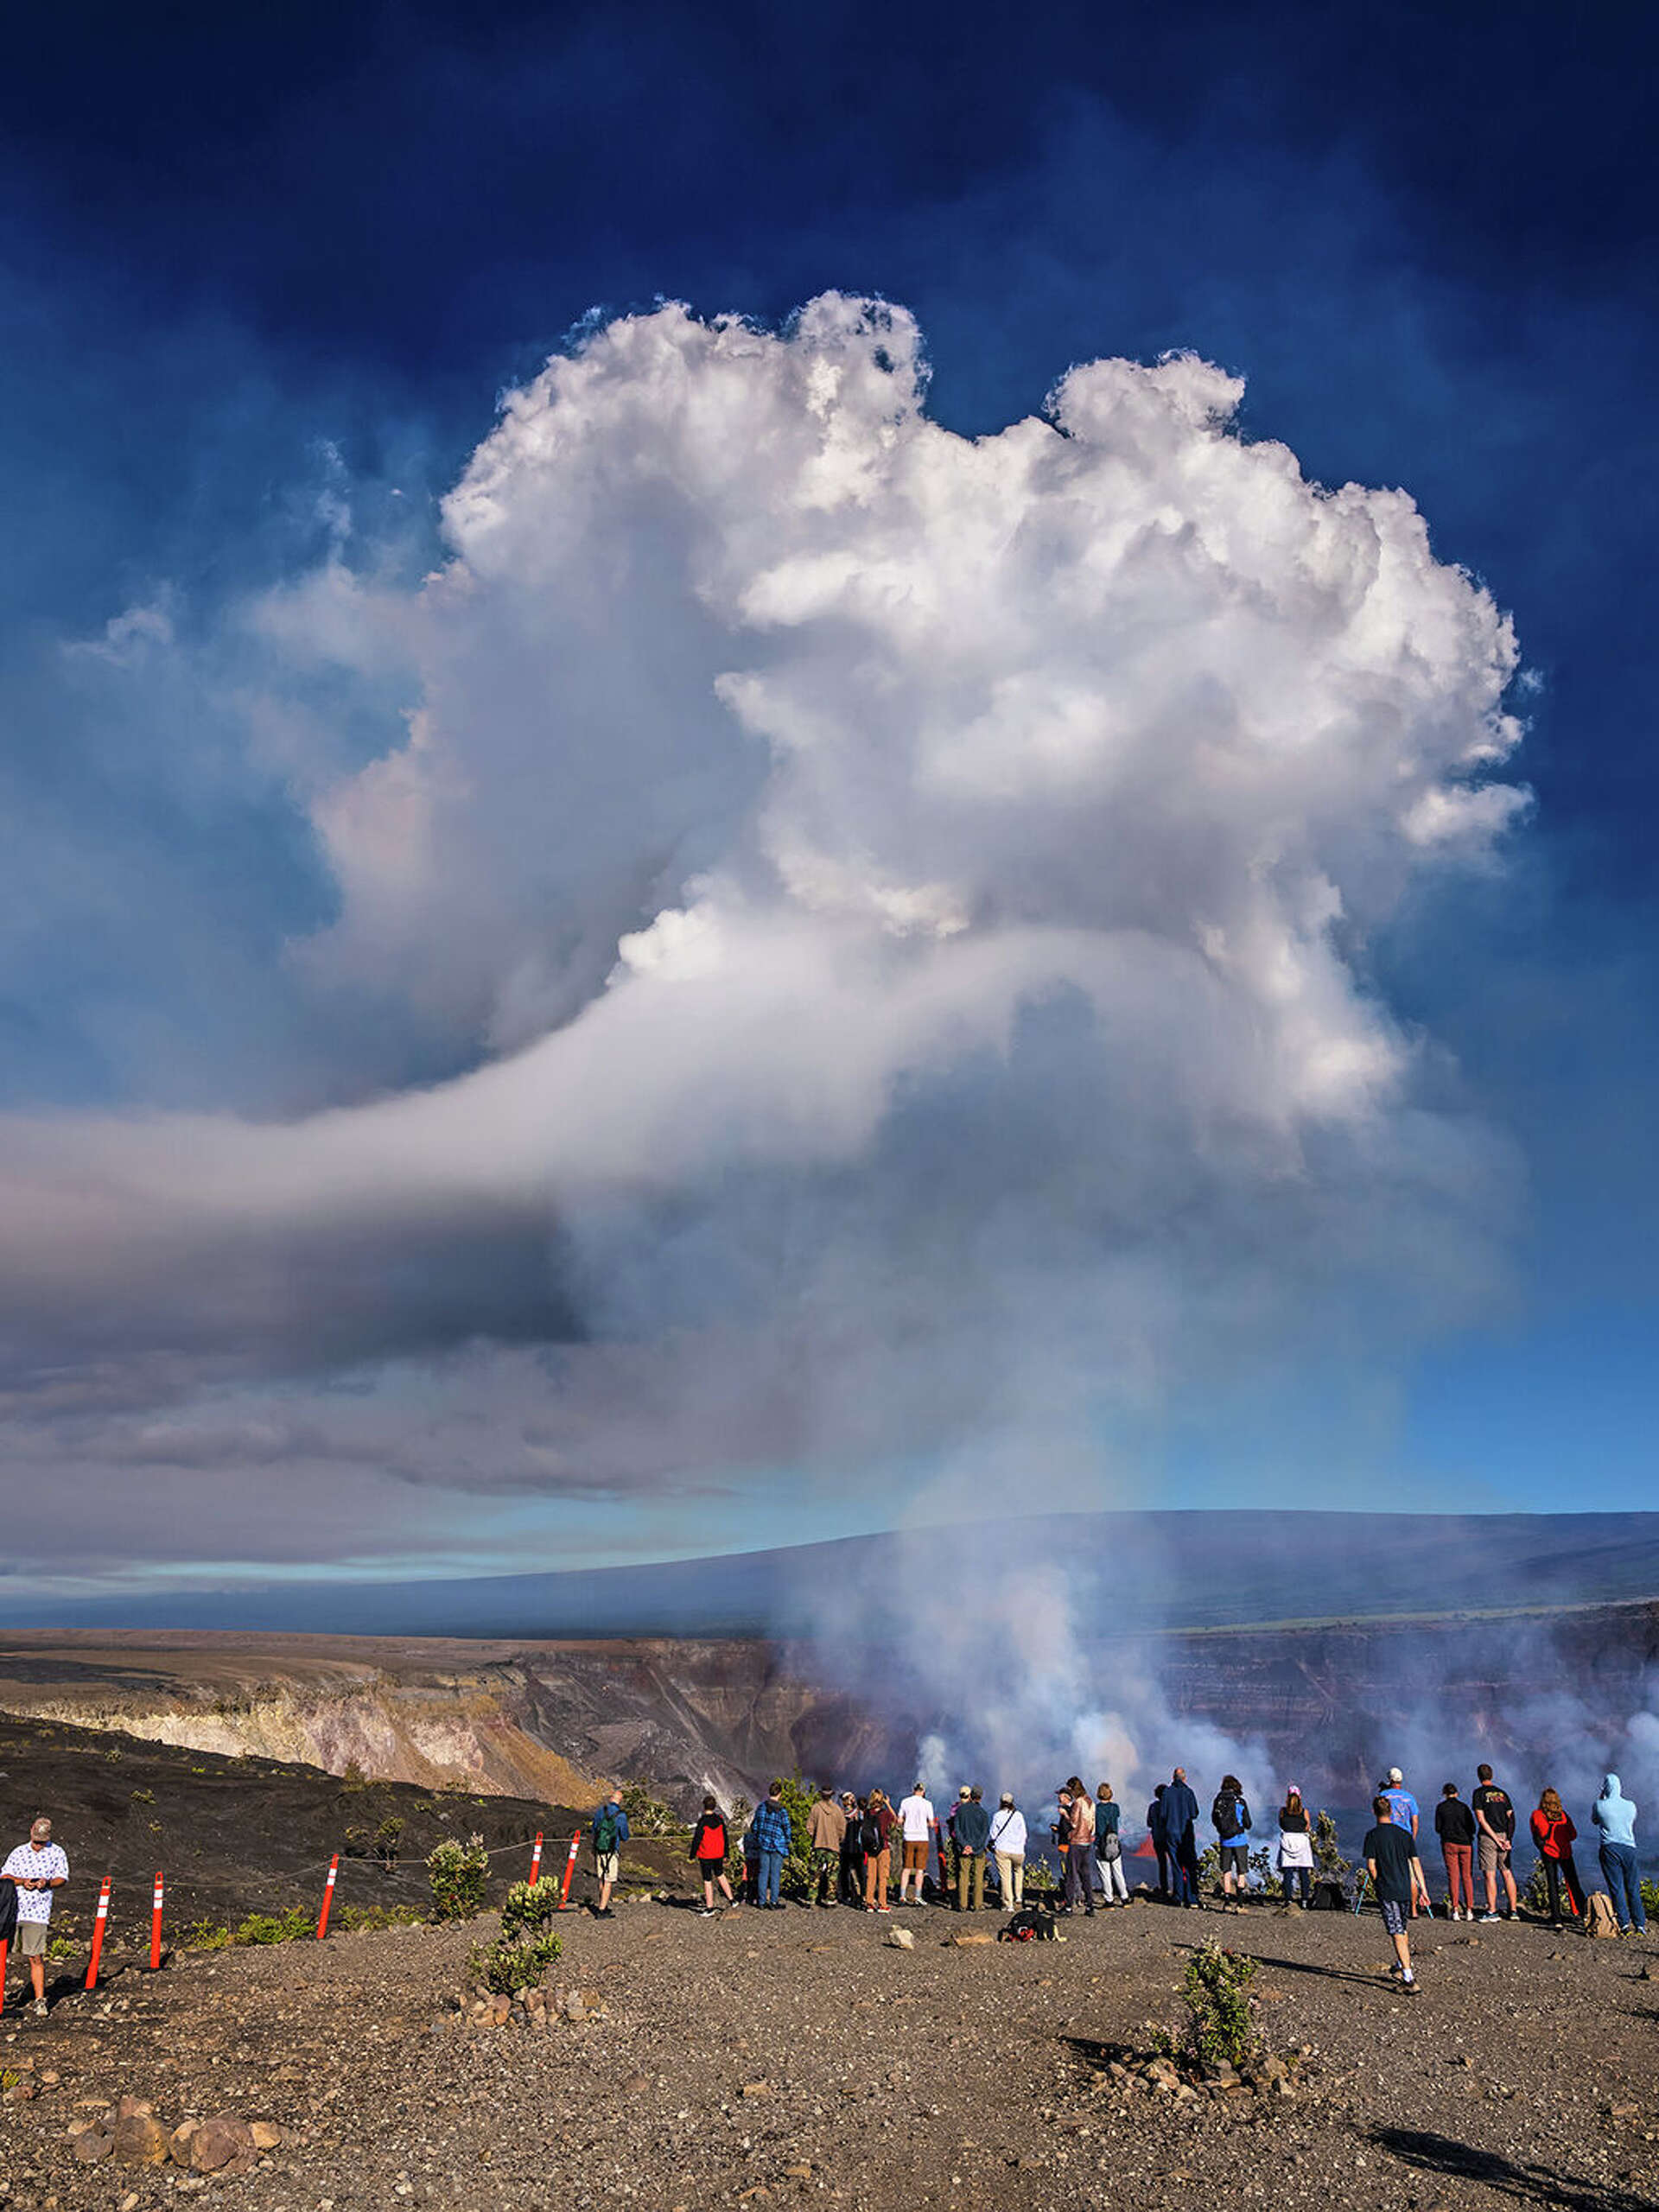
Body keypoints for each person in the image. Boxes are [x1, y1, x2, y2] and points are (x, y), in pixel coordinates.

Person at [1362, 1794, 1429, 1992]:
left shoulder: (1372, 1836)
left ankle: (1409, 1979)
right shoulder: (1405, 1835)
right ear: (1391, 1812)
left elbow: (1371, 1866)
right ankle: (1401, 1965)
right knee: (1403, 1928)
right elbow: (1415, 1863)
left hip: (1388, 1889)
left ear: (1374, 1812)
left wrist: (1377, 1884)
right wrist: (1423, 1890)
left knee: (1396, 1932)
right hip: (1405, 1889)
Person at [1, 1816, 67, 2016]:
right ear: (31, 1831)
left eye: (42, 1841)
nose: (38, 1844)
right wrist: (23, 1881)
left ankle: (40, 2000)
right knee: (3, 1953)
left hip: (37, 1912)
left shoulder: (57, 1852)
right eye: (36, 1840)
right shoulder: (19, 1852)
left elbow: (62, 1878)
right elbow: (5, 1876)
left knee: (35, 1956)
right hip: (13, 1909)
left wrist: (46, 1883)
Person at [1592, 1772, 1646, 1936]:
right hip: (1629, 1848)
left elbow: (1595, 1820)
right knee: (1633, 1887)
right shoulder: (1631, 1805)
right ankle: (1640, 1924)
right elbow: (1631, 1821)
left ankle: (1623, 1924)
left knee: (1617, 1887)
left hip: (1610, 1848)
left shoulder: (1599, 1805)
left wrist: (1602, 1797)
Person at [1529, 1787, 1586, 1929]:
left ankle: (1556, 1919)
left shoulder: (1537, 1815)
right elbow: (1573, 1835)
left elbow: (1537, 1833)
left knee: (1552, 1885)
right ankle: (1583, 1913)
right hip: (1565, 1852)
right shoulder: (1564, 1816)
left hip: (1548, 1852)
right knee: (1573, 1883)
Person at [1471, 1764, 1519, 1922]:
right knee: (1507, 1872)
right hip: (1504, 1837)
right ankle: (1513, 1911)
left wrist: (1494, 1838)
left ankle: (1492, 1911)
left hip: (1488, 1838)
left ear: (1479, 1776)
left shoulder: (1479, 1793)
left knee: (1490, 1874)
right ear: (1491, 1775)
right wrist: (1507, 1839)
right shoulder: (1502, 1794)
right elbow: (1511, 1818)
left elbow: (1481, 1819)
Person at [1433, 1783, 1476, 1921]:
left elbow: (1438, 1828)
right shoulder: (1464, 1807)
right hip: (1465, 1844)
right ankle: (1469, 1910)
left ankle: (1456, 1910)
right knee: (1467, 1877)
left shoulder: (1441, 1808)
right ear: (1457, 1793)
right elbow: (1472, 1827)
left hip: (1449, 1844)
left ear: (1444, 1794)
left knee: (1453, 1877)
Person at [689, 1796, 735, 1915]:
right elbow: (725, 1837)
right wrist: (726, 1853)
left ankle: (710, 1908)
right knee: (720, 1875)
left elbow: (697, 1839)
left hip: (706, 1854)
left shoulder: (703, 1821)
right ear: (714, 1806)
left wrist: (692, 1854)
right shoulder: (720, 1820)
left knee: (707, 1880)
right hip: (718, 1853)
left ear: (704, 1806)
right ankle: (732, 1900)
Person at [750, 1783, 794, 1910]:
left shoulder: (761, 1807)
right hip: (778, 1846)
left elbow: (755, 1826)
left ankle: (762, 1901)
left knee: (763, 1873)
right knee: (775, 1874)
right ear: (780, 1794)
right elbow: (787, 1829)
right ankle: (774, 1902)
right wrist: (786, 1841)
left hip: (763, 1844)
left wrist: (759, 1838)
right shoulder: (782, 1811)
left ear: (769, 1793)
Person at [1163, 1768, 1202, 1909]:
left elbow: (1163, 1814)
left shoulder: (1167, 1792)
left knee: (1176, 1865)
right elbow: (1194, 1813)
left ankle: (1178, 1897)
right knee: (1190, 1865)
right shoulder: (1189, 1792)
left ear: (1173, 1778)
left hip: (1172, 1832)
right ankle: (1191, 1898)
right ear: (1184, 1778)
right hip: (1186, 1833)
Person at [1211, 1775, 1252, 1905]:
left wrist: (1222, 1830)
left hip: (1225, 1840)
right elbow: (1248, 1823)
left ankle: (1227, 1899)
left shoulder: (1218, 1801)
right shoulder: (1240, 1802)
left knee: (1226, 1870)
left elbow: (1215, 1819)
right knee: (1241, 1870)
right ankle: (1239, 1902)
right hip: (1240, 1840)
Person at [895, 1782, 937, 1907]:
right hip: (922, 1838)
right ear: (923, 1791)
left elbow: (900, 1820)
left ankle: (902, 1896)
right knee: (920, 1869)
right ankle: (917, 1896)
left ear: (913, 1790)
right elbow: (931, 1823)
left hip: (908, 1837)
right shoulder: (928, 1804)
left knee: (906, 1868)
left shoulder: (905, 1802)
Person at [589, 1791, 630, 1919]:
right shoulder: (621, 1815)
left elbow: (594, 1828)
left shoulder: (601, 1811)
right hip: (612, 1850)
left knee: (601, 1878)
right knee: (608, 1880)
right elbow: (624, 1836)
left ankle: (603, 1905)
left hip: (599, 1848)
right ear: (620, 1800)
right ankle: (601, 1911)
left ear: (611, 1798)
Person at [806, 1785, 847, 1909]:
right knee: (832, 1875)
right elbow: (842, 1829)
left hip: (818, 1845)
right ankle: (830, 1899)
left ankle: (811, 1899)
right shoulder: (838, 1810)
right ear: (832, 1795)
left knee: (815, 1873)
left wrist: (816, 1835)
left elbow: (809, 1827)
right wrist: (837, 1839)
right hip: (833, 1846)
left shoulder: (815, 1808)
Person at [1060, 1776, 1096, 1916]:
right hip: (1087, 1842)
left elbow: (1074, 1822)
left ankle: (1068, 1907)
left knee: (1071, 1874)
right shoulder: (1090, 1801)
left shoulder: (1078, 1803)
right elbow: (1092, 1824)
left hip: (1075, 1842)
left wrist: (1065, 1814)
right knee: (1085, 1874)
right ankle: (1090, 1905)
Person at [955, 1785, 991, 1911]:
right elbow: (984, 1834)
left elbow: (957, 1830)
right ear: (981, 1798)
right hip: (979, 1849)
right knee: (978, 1876)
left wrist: (965, 1845)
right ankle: (977, 1904)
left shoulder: (960, 1811)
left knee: (963, 1875)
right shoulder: (984, 1813)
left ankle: (963, 1905)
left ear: (970, 1796)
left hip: (964, 1849)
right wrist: (975, 1847)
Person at [1275, 1787, 1313, 1908]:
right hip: (1302, 1842)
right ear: (1299, 1797)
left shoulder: (1282, 1811)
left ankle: (1288, 1900)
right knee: (1304, 1873)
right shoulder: (1304, 1812)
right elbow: (1307, 1827)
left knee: (1288, 1873)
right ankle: (1304, 1900)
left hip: (1287, 1841)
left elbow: (1281, 1824)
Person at [988, 1792, 1027, 1909]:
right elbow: (1024, 1834)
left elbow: (993, 1834)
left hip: (1002, 1850)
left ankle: (1009, 1904)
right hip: (1018, 1850)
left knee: (1005, 1877)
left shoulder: (997, 1816)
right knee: (1018, 1871)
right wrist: (1021, 1845)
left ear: (1001, 1802)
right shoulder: (1019, 1815)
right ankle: (1019, 1896)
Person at [1095, 1784, 1128, 1905]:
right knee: (1118, 1872)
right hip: (1114, 1842)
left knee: (1105, 1873)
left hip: (1100, 1843)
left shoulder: (1096, 1809)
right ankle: (1125, 1897)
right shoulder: (1115, 1808)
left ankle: (1109, 1899)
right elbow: (1116, 1816)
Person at [862, 1789, 894, 1913]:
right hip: (883, 1847)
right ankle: (882, 1904)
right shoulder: (885, 1814)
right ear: (882, 1799)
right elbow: (895, 1819)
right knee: (883, 1877)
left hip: (870, 1848)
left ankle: (869, 1903)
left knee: (871, 1877)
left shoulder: (867, 1813)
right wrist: (888, 1804)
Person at [838, 1793, 866, 1907]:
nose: (852, 1800)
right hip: (847, 1846)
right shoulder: (842, 1813)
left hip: (855, 1846)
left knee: (859, 1873)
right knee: (845, 1872)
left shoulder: (859, 1813)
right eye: (850, 1799)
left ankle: (861, 1894)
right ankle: (847, 1894)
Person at [1147, 1783, 1170, 1897]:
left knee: (1162, 1864)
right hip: (1169, 1838)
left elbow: (1149, 1823)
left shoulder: (1153, 1807)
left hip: (1157, 1838)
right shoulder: (1170, 1806)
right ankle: (1178, 1888)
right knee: (1175, 1863)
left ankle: (1164, 1888)